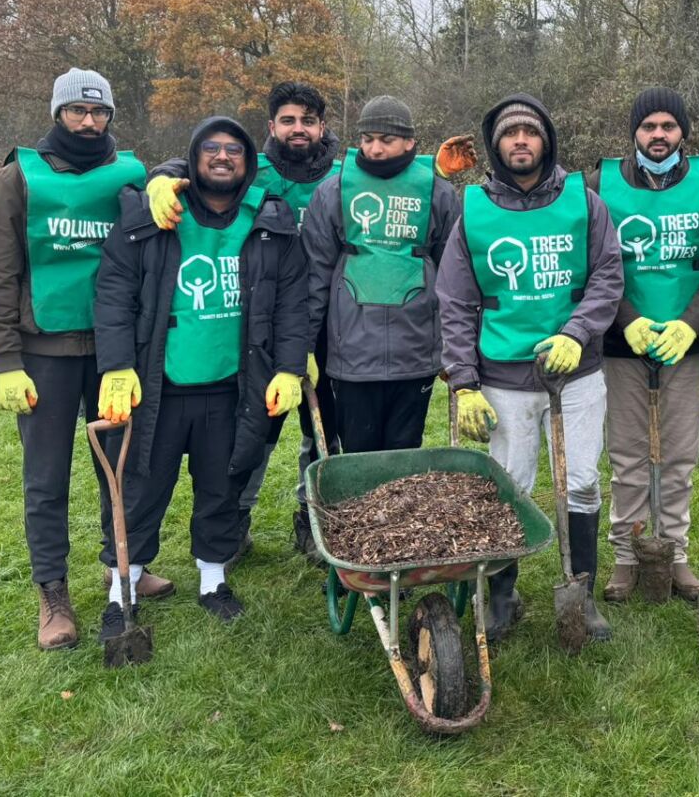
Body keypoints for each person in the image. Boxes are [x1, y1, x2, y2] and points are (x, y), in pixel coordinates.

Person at [93, 117, 309, 634]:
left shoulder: (270, 222)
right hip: (159, 385)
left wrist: (289, 367)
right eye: (209, 148)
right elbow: (114, 293)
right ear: (192, 159)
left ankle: (214, 579)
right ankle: (124, 586)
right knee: (142, 486)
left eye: (234, 149)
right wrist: (118, 366)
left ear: (249, 162)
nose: (221, 157)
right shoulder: (151, 214)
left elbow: (293, 306)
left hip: (232, 386)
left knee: (224, 484)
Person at [0, 68, 164, 649]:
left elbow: (184, 179)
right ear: (58, 113)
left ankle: (122, 568)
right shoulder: (21, 177)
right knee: (46, 477)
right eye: (78, 111)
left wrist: (168, 179)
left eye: (99, 111)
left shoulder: (129, 174)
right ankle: (53, 593)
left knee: (126, 466)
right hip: (44, 354)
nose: (89, 121)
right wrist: (5, 359)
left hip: (115, 353)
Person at [436, 95, 624, 643]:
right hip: (503, 375)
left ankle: (580, 595)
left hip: (577, 373)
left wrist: (577, 332)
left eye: (531, 132)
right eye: (510, 133)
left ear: (547, 140)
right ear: (495, 144)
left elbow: (608, 276)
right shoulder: (472, 209)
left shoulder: (582, 201)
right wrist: (463, 381)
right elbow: (453, 301)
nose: (521, 140)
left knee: (582, 481)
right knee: (510, 485)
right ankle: (502, 596)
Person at [146, 82, 339, 561]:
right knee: (254, 431)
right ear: (271, 126)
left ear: (322, 127)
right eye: (289, 120)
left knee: (324, 432)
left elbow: (394, 171)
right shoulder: (252, 170)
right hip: (258, 326)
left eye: (308, 120)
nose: (299, 129)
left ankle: (314, 520)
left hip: (332, 325)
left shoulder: (343, 172)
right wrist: (162, 175)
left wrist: (437, 169)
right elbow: (198, 166)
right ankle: (234, 522)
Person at [585, 87, 699, 602]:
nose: (658, 135)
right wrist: (624, 320)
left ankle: (674, 553)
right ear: (634, 132)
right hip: (622, 341)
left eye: (668, 126)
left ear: (683, 132)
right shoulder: (599, 184)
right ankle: (626, 556)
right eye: (648, 127)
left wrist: (693, 325)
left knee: (679, 453)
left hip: (683, 343)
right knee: (627, 453)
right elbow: (593, 264)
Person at [300, 96, 456, 451]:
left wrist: (454, 348)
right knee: (358, 454)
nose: (375, 149)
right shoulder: (334, 190)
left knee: (404, 455)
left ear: (410, 142)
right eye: (368, 139)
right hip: (352, 353)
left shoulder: (438, 191)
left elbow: (453, 276)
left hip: (415, 351)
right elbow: (316, 274)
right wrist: (305, 346)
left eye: (386, 140)